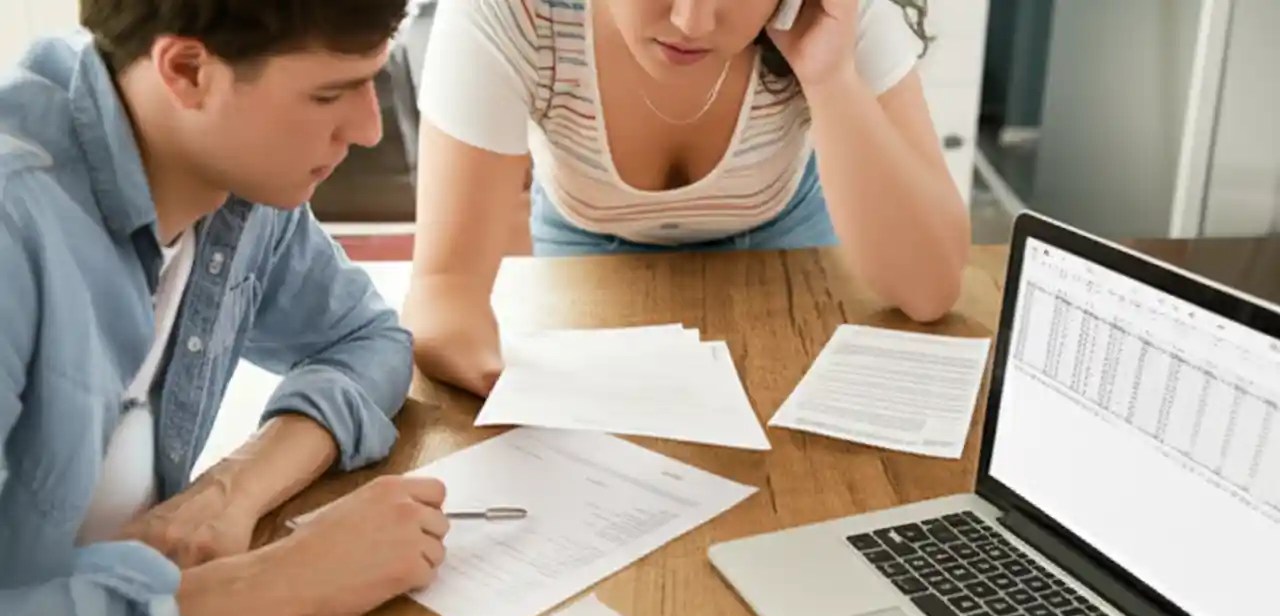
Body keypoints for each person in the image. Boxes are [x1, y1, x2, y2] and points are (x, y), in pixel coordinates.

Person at [0, 1, 452, 616]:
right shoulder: (14, 231)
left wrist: (233, 491)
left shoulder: (238, 187)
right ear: (186, 71)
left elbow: (369, 340)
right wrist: (287, 580)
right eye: (329, 94)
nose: (368, 129)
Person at [406, 0, 972, 397]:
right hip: (586, 248)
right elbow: (444, 286)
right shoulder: (510, 10)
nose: (692, 21)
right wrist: (503, 381)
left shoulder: (839, 13)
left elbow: (929, 291)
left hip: (785, 244)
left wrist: (829, 76)